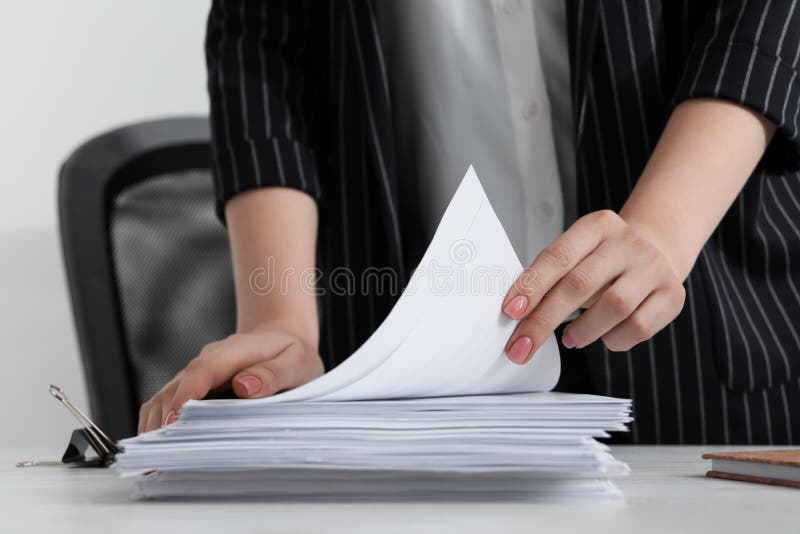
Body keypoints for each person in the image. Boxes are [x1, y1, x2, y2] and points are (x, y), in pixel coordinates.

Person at [138, 0, 800, 444]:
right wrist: (279, 320)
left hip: (711, 342)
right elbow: (261, 44)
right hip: (403, 381)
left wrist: (662, 229)